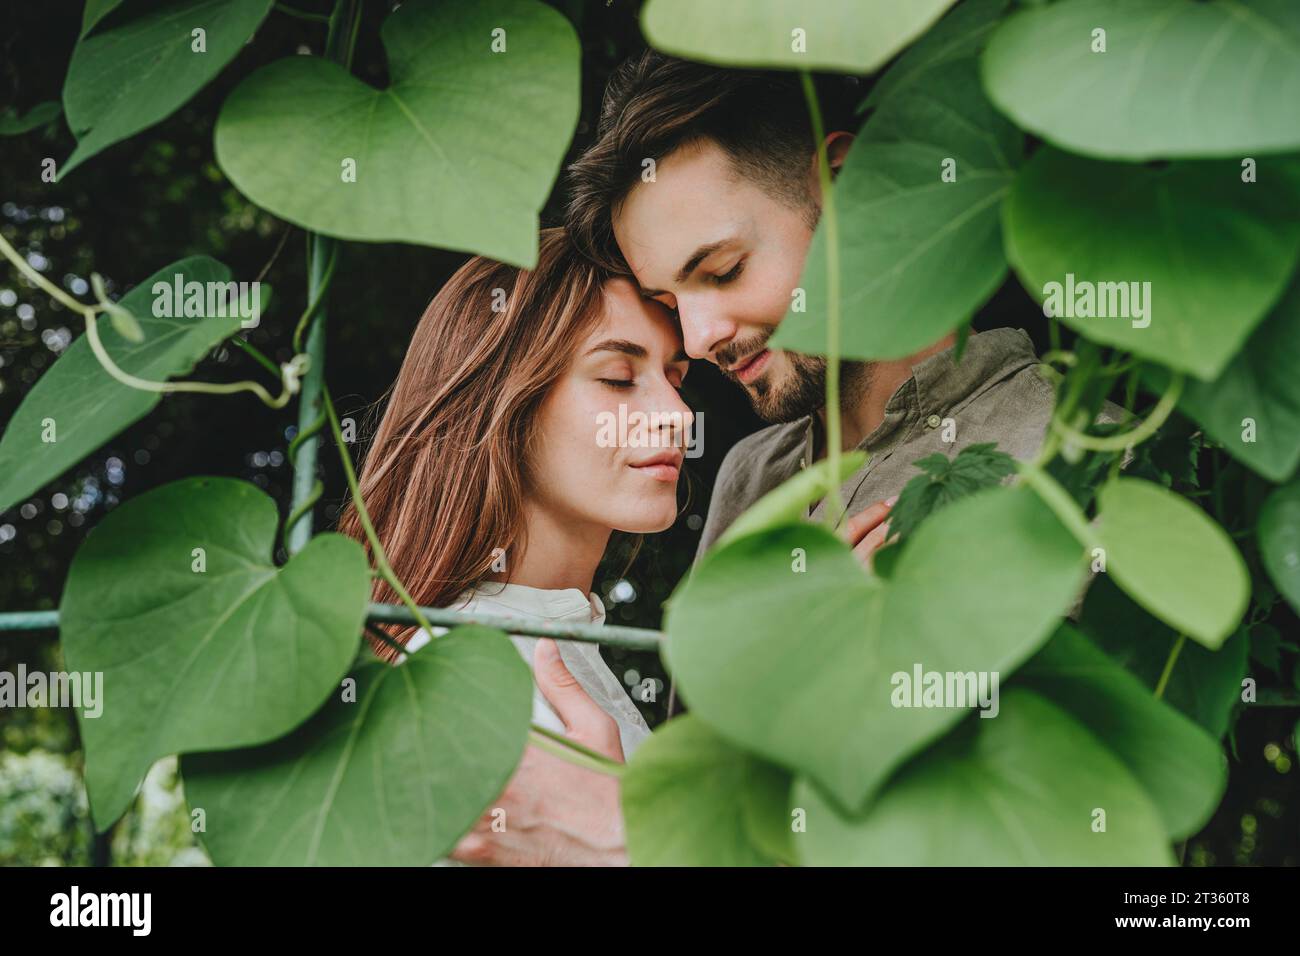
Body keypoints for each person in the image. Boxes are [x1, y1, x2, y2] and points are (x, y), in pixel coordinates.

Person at [452, 50, 1122, 866]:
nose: (698, 341)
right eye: (670, 304)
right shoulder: (751, 477)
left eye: (724, 271)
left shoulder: (1083, 453)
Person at [335, 227, 693, 864]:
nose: (677, 413)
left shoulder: (543, 640)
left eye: (675, 376)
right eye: (618, 378)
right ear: (503, 405)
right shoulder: (462, 680)